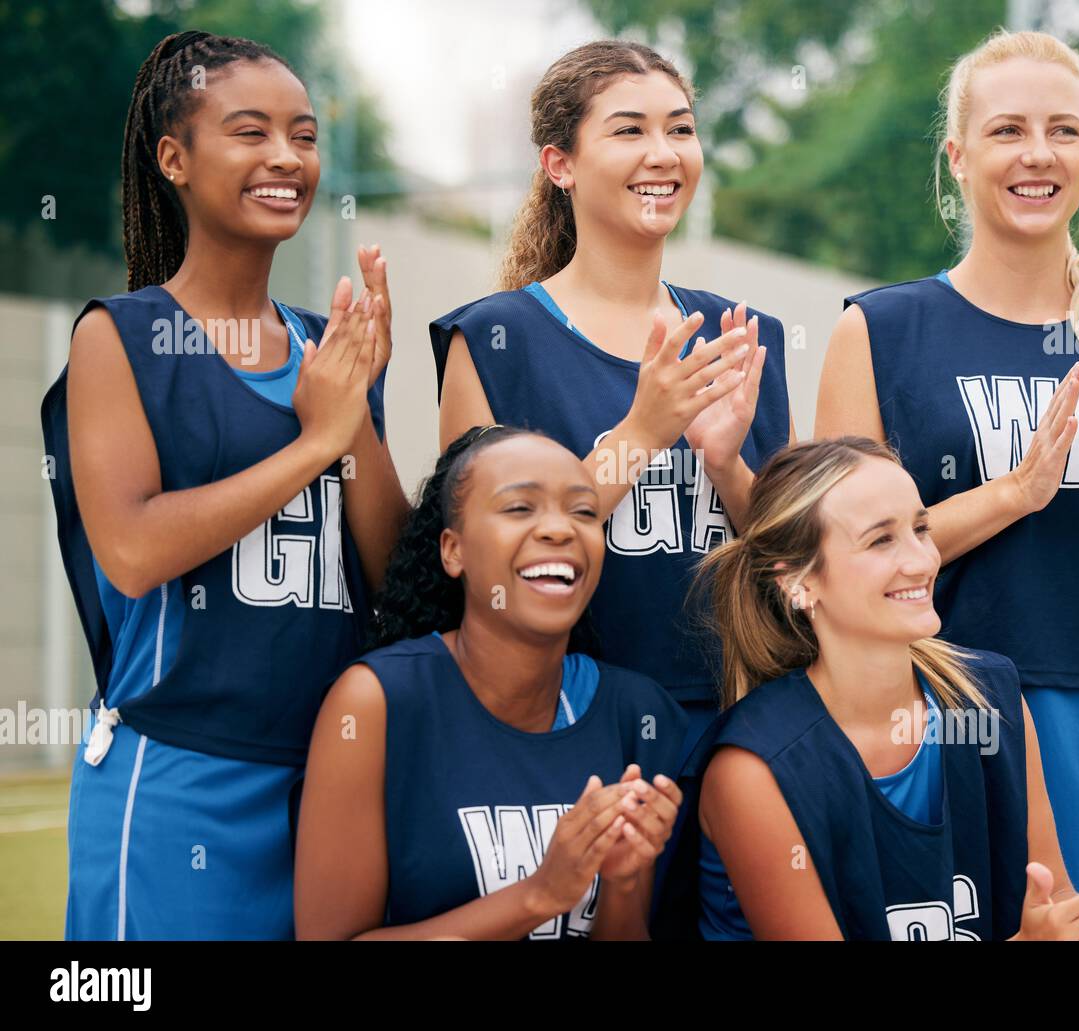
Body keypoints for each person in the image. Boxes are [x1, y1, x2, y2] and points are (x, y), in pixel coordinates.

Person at [40, 31, 407, 939]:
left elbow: (398, 574)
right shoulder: (119, 337)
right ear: (174, 158)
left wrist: (353, 410)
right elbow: (131, 550)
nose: (286, 157)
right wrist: (314, 442)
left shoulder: (334, 348)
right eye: (250, 132)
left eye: (305, 135)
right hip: (180, 781)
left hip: (332, 782)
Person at [816, 29, 1079, 890]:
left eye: (1064, 131)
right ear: (957, 155)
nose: (1038, 154)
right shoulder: (877, 332)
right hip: (931, 714)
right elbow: (836, 571)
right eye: (1007, 130)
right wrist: (1015, 494)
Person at [654, 438, 1079, 940]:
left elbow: (1049, 901)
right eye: (881, 541)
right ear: (799, 582)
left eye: (921, 528)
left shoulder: (988, 700)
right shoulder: (753, 771)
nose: (922, 559)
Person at [431, 40, 793, 754]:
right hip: (567, 723)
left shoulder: (742, 333)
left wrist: (726, 466)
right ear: (559, 164)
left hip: (739, 729)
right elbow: (478, 567)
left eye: (680, 129)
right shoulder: (495, 338)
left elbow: (790, 563)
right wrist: (638, 434)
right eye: (629, 130)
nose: (663, 153)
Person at [294, 426, 686, 940]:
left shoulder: (638, 714)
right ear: (453, 551)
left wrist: (623, 881)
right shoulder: (376, 703)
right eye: (520, 508)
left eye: (584, 512)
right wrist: (539, 895)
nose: (559, 529)